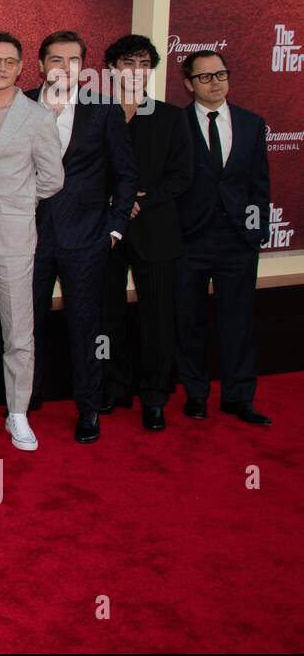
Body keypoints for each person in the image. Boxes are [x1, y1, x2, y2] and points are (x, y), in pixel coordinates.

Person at [27, 31, 137, 444]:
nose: (64, 67)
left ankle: (88, 407)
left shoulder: (104, 110)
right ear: (40, 65)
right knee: (26, 325)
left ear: (83, 66)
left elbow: (126, 175)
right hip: (29, 238)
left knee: (85, 328)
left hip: (86, 240)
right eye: (55, 59)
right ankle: (26, 398)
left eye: (73, 60)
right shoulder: (19, 105)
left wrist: (113, 229)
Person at [0, 32, 63, 451]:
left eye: (9, 61)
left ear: (21, 68)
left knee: (19, 331)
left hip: (15, 237)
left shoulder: (37, 117)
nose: (0, 68)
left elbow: (53, 179)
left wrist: (19, 201)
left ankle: (18, 412)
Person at [98, 35, 192, 432]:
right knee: (107, 314)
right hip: (105, 230)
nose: (135, 70)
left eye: (142, 64)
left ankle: (154, 397)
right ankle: (114, 387)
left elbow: (182, 175)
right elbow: (81, 167)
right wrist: (112, 200)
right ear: (112, 69)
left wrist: (141, 200)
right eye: (127, 62)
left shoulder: (171, 117)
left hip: (156, 230)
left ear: (150, 70)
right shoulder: (96, 113)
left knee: (157, 318)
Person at [174, 51, 272, 426]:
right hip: (189, 241)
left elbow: (259, 185)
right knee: (189, 320)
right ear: (188, 84)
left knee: (239, 321)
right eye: (205, 77)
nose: (215, 82)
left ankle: (239, 397)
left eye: (221, 74)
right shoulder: (177, 124)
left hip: (237, 241)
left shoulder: (251, 124)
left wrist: (255, 232)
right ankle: (196, 394)